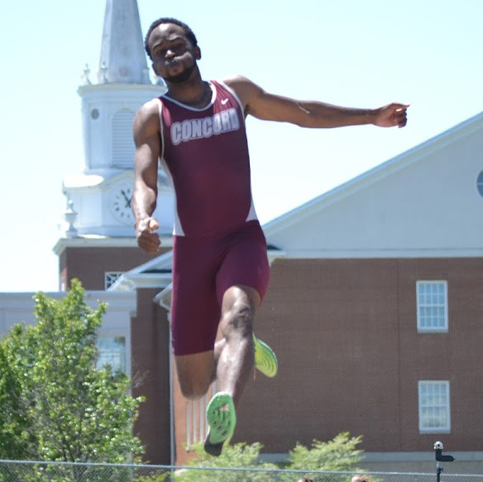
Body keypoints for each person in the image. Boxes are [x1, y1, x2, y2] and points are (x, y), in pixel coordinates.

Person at [133, 17, 409, 456]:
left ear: (197, 50)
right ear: (154, 65)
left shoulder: (234, 93)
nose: (170, 52)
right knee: (191, 384)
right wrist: (142, 218)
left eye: (177, 43)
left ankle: (223, 410)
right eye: (159, 50)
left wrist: (370, 117)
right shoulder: (154, 116)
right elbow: (144, 180)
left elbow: (302, 113)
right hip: (192, 252)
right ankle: (232, 345)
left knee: (240, 312)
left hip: (241, 238)